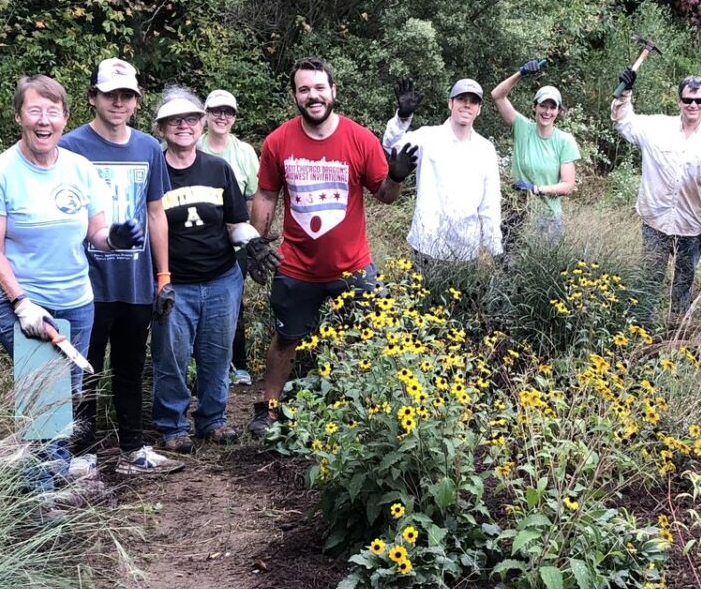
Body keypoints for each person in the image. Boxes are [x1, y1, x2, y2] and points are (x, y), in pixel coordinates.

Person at [0, 74, 166, 490]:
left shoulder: (79, 168)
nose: (44, 121)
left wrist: (114, 238)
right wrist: (21, 302)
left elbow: (95, 232)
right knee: (47, 397)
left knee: (68, 393)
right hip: (25, 302)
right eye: (35, 110)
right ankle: (41, 496)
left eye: (52, 112)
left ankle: (54, 474)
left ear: (64, 118)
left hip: (78, 300)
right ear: (19, 116)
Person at [248, 57, 405, 435]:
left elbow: (385, 195)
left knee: (368, 338)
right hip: (296, 267)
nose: (313, 96)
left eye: (319, 88)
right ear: (295, 96)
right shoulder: (278, 141)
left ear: (333, 91)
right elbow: (267, 194)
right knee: (286, 339)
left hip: (353, 266)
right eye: (304, 89)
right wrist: (254, 242)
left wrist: (397, 176)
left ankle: (364, 411)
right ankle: (268, 409)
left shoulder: (360, 138)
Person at [59, 58, 177, 477]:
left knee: (130, 366)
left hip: (135, 278)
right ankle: (80, 450)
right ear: (93, 97)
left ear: (136, 102)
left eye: (126, 95)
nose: (118, 102)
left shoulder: (147, 147)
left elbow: (156, 212)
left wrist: (163, 276)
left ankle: (133, 447)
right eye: (110, 94)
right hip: (85, 281)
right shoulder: (71, 146)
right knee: (83, 368)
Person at [151, 87, 253, 451]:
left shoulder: (218, 168)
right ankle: (172, 425)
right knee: (172, 356)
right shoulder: (154, 170)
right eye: (174, 120)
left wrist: (252, 242)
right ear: (162, 127)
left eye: (191, 119)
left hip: (222, 278)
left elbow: (235, 223)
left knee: (216, 352)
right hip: (174, 281)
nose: (184, 126)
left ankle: (213, 419)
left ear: (202, 123)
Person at [612, 73, 701, 317]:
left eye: (698, 100)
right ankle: (642, 325)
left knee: (685, 280)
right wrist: (625, 93)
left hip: (692, 225)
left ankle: (678, 330)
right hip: (655, 221)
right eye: (687, 100)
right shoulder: (657, 127)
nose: (693, 105)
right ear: (679, 101)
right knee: (649, 277)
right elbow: (624, 122)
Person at [381, 77, 503, 263]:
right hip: (426, 247)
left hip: (465, 251)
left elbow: (490, 204)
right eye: (462, 99)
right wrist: (402, 118)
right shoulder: (427, 137)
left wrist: (496, 250)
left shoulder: (485, 149)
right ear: (450, 103)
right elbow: (391, 147)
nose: (467, 105)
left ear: (479, 109)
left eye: (473, 101)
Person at [201, 88, 260, 387]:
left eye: (228, 112)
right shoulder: (190, 144)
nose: (222, 117)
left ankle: (239, 364)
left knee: (232, 303)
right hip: (194, 240)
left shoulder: (244, 152)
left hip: (234, 240)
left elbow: (252, 198)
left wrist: (252, 240)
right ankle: (200, 366)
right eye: (216, 111)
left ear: (235, 117)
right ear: (206, 114)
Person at [489, 59, 579, 238]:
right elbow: (497, 95)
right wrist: (521, 74)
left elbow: (568, 186)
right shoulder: (522, 127)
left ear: (558, 111)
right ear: (534, 107)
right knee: (508, 265)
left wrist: (537, 189)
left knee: (543, 266)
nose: (547, 111)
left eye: (552, 107)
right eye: (543, 105)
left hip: (547, 219)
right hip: (515, 213)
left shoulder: (564, 141)